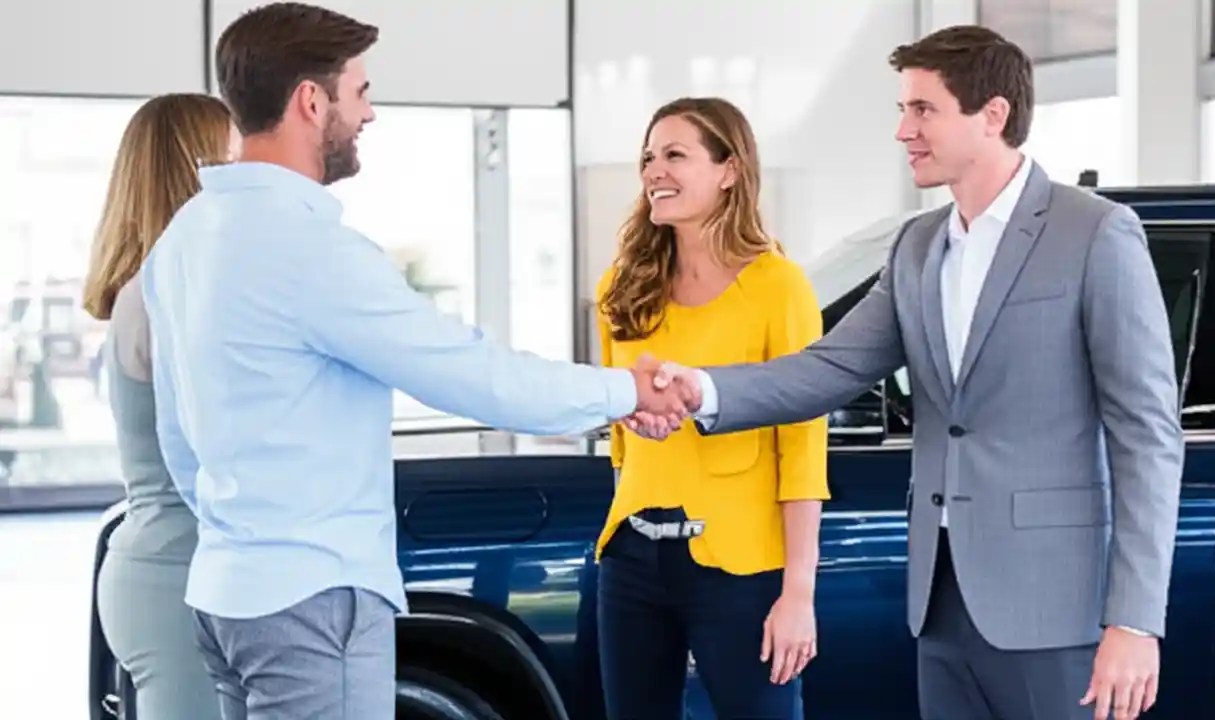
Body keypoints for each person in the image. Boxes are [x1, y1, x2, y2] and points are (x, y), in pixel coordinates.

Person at [140, 3, 686, 718]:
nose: (369, 114)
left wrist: (237, 531)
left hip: (226, 596)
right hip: (312, 599)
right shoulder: (311, 250)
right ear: (311, 100)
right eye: (360, 93)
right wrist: (624, 390)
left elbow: (177, 431)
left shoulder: (187, 236)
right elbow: (469, 372)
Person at [635, 25, 1182, 720]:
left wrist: (1134, 623)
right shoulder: (919, 246)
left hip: (1055, 606)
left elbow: (1147, 438)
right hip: (942, 601)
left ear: (992, 115)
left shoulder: (1095, 233)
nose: (903, 130)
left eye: (922, 109)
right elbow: (830, 366)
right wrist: (704, 389)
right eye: (903, 109)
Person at [594, 97, 828, 720]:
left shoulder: (778, 286)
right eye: (648, 157)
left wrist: (797, 593)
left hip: (743, 571)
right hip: (631, 560)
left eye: (675, 155)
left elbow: (802, 448)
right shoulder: (621, 285)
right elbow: (622, 440)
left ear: (729, 170)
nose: (654, 172)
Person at [84, 92, 240, 720]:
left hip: (164, 568)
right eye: (234, 156)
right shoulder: (162, 293)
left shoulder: (158, 286)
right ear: (196, 168)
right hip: (174, 577)